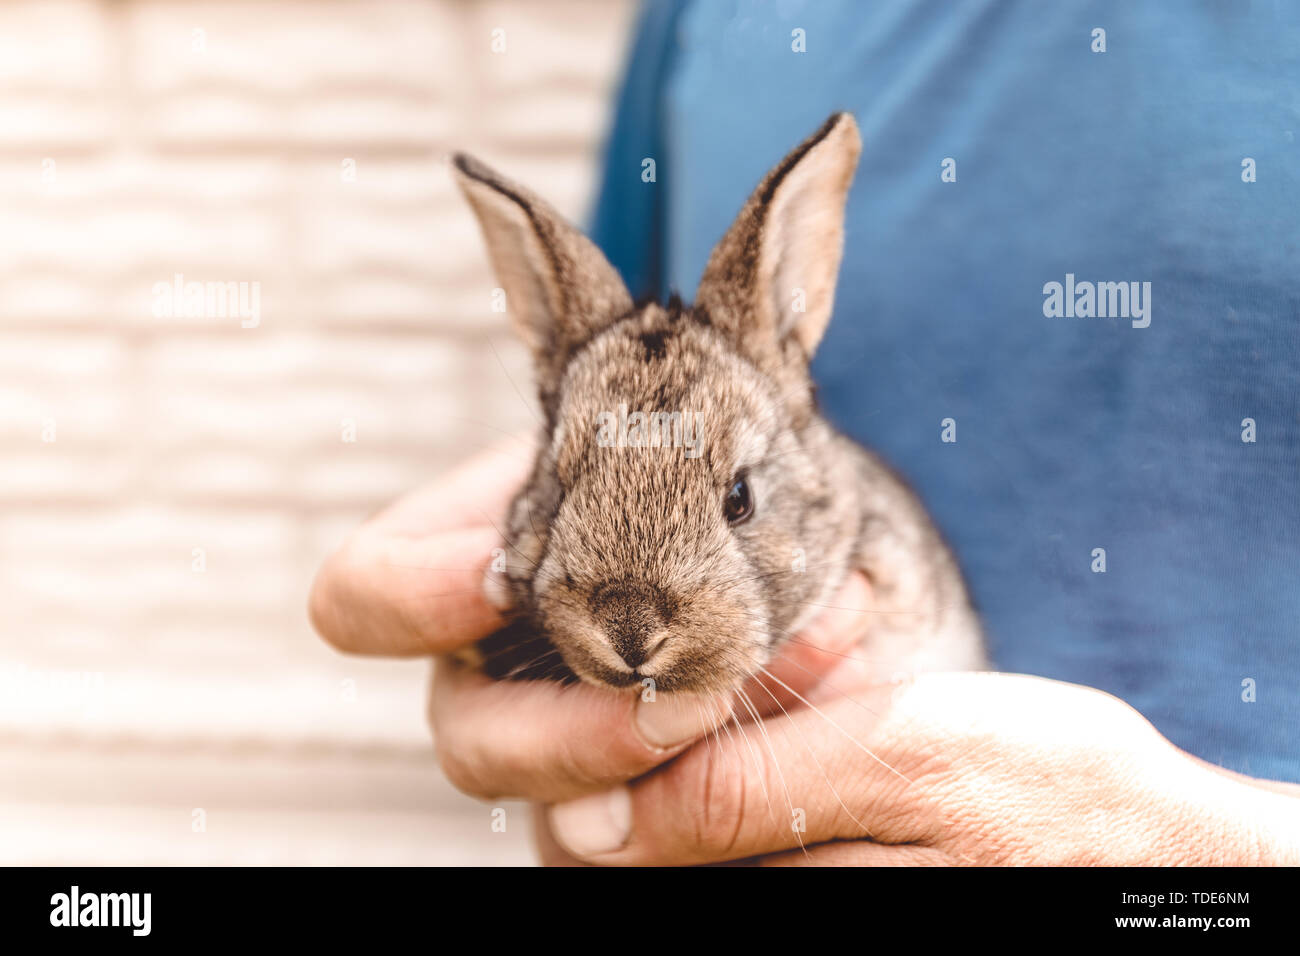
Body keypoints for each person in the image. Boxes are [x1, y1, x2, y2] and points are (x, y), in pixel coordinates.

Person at [309, 1, 1300, 864]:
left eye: (734, 497)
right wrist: (511, 665)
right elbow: (647, 372)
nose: (637, 627)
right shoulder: (705, 14)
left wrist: (1199, 869)